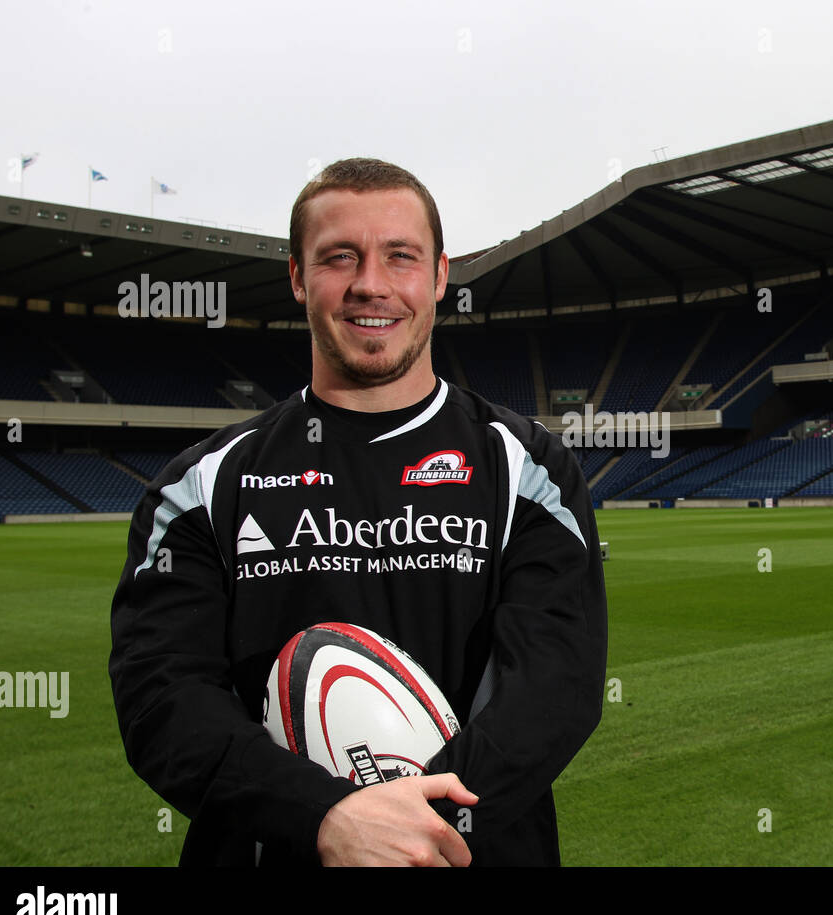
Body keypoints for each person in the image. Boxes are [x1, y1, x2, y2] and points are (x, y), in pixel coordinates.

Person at [109, 157, 608, 866]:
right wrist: (325, 818)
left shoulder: (529, 469)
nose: (370, 283)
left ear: (438, 276)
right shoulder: (200, 484)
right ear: (296, 277)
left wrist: (420, 830)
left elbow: (555, 687)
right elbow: (161, 697)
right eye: (339, 258)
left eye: (400, 257)